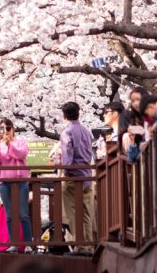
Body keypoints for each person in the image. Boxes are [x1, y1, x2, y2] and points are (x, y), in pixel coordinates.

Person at [0, 118, 32, 253]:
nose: (6, 131)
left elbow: (21, 154)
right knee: (9, 215)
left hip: (20, 182)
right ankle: (13, 243)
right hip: (5, 183)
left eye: (8, 128)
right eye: (3, 129)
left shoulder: (21, 142)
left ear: (13, 129)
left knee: (23, 214)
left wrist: (9, 144)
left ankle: (28, 244)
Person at [60, 102, 95, 253]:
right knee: (86, 212)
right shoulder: (87, 132)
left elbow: (68, 157)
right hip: (87, 176)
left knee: (73, 212)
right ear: (78, 113)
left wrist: (65, 171)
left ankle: (80, 244)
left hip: (73, 177)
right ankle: (88, 245)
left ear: (64, 116)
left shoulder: (67, 132)